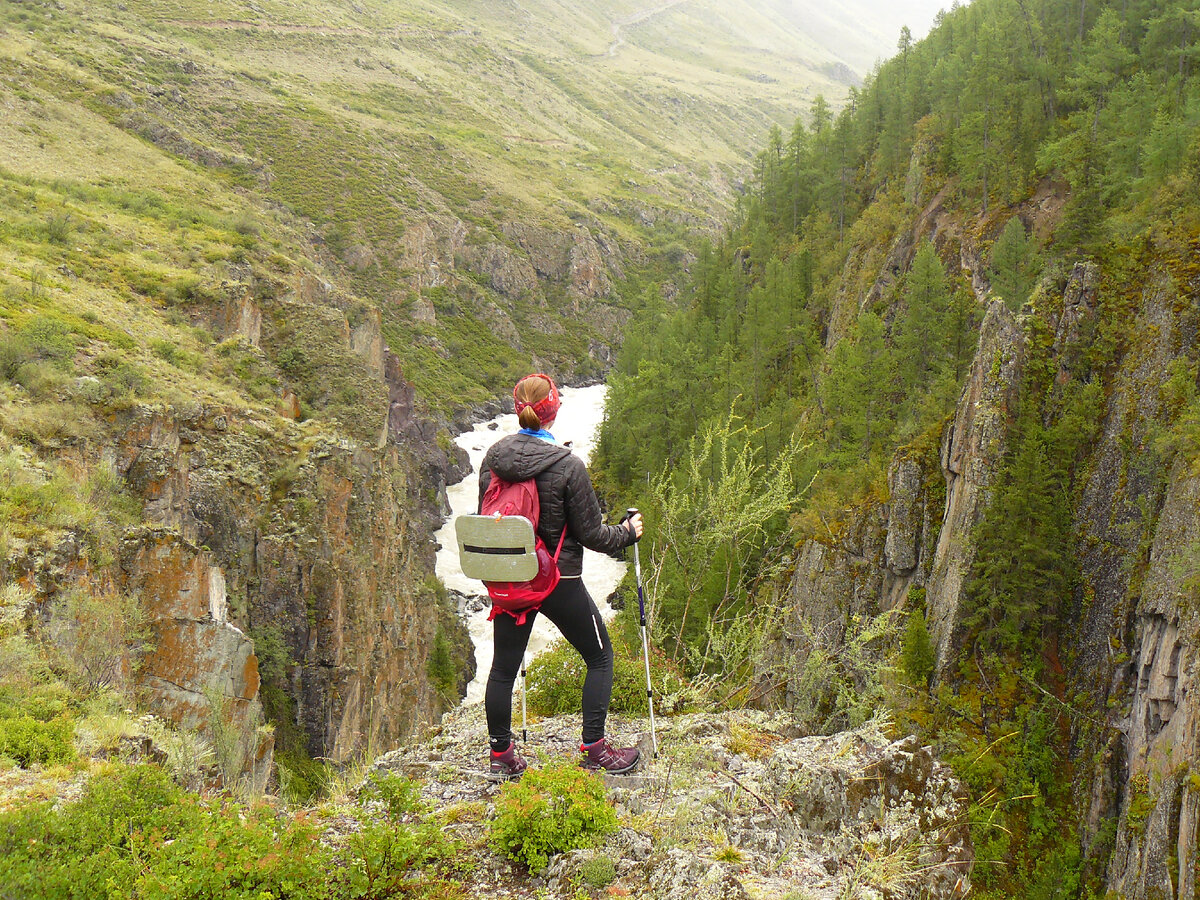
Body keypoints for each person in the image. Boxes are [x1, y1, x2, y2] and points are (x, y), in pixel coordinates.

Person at [479, 373, 644, 779]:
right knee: (599, 657)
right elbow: (592, 535)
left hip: (511, 578)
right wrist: (629, 532)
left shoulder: (493, 458)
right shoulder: (568, 466)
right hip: (558, 581)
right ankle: (595, 750)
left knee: (502, 667)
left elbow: (485, 521)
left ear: (520, 410)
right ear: (553, 411)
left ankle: (501, 756)